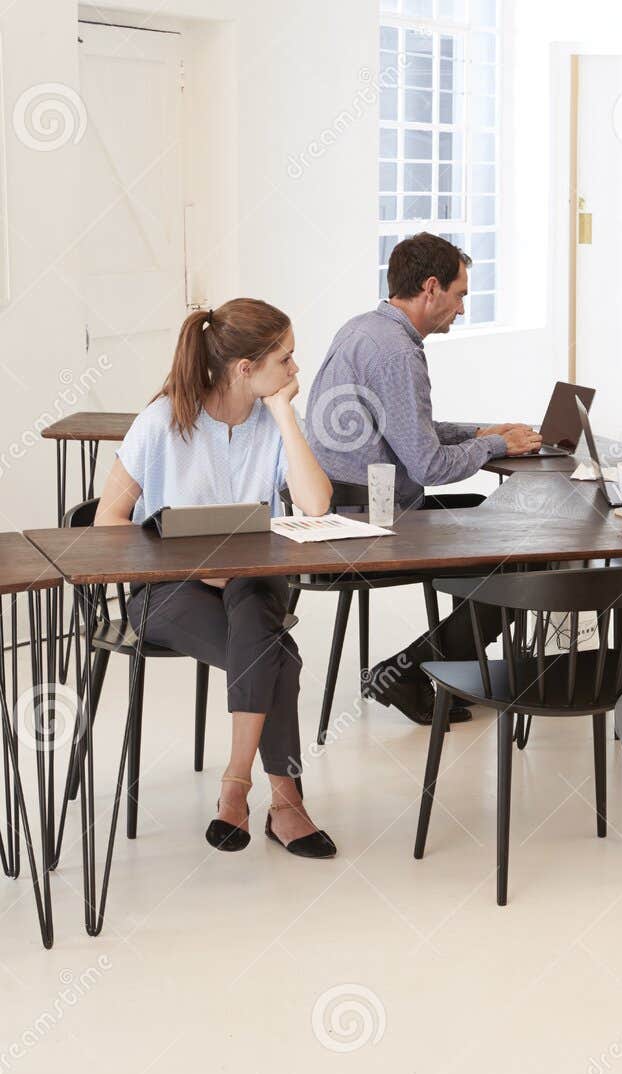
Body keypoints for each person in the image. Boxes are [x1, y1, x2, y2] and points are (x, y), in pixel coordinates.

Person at [94, 299, 339, 859]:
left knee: (253, 600)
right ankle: (284, 803)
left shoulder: (272, 423)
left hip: (252, 584)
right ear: (245, 368)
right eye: (286, 359)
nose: (296, 369)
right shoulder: (162, 422)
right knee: (279, 657)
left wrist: (284, 415)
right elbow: (108, 522)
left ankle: (237, 786)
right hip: (167, 592)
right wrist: (196, 567)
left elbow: (316, 504)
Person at [304, 231, 541, 725]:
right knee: (520, 557)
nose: (462, 309)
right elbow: (429, 466)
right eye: (460, 295)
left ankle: (449, 668)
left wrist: (480, 433)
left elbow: (407, 430)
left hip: (340, 510)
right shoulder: (399, 353)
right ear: (431, 288)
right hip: (371, 523)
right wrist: (498, 446)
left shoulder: (363, 328)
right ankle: (406, 672)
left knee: (489, 524)